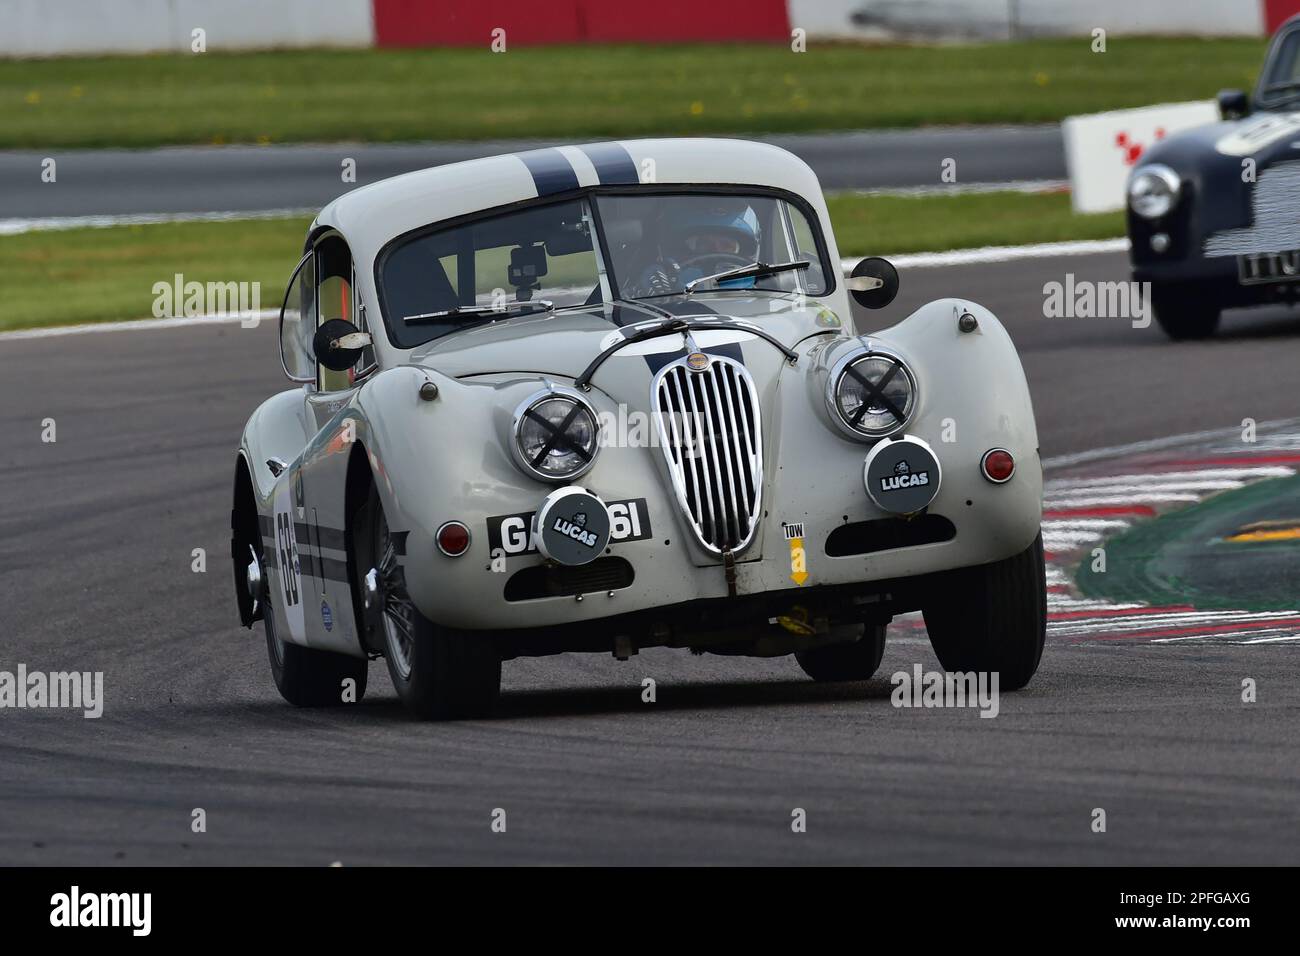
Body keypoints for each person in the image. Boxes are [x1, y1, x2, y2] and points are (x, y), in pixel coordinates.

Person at [624, 202, 762, 298]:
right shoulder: (658, 284)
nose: (716, 252)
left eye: (727, 246)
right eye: (702, 244)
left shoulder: (762, 291)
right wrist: (652, 294)